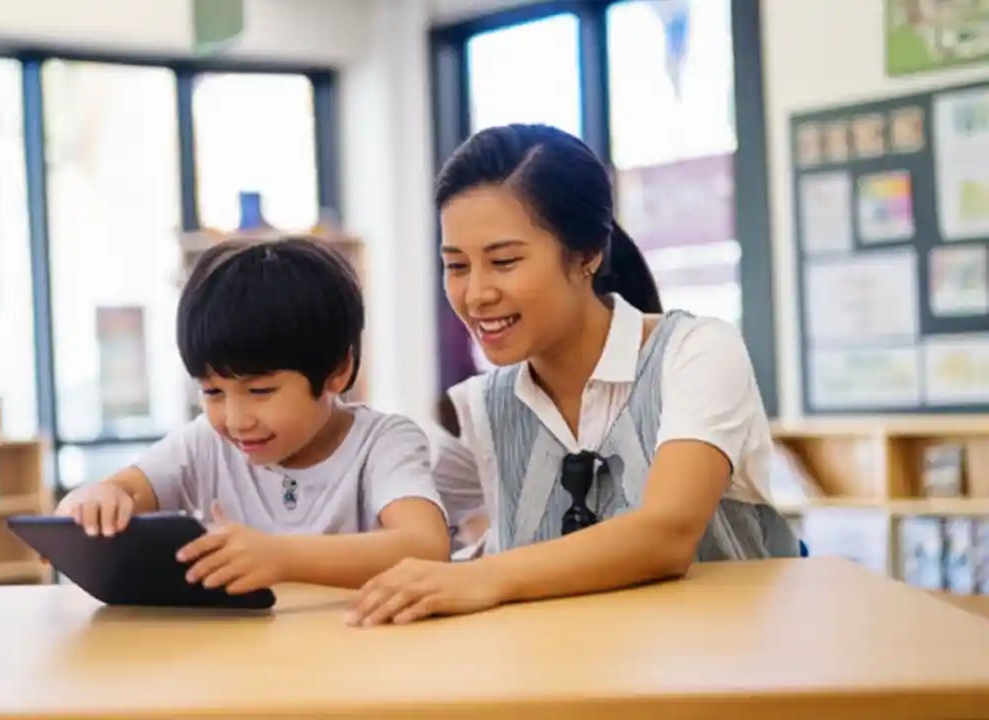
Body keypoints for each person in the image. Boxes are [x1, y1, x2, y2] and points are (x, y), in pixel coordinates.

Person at [347, 123, 800, 627]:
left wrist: (481, 576)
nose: (475, 294)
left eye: (504, 261)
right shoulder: (483, 409)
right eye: (456, 266)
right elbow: (399, 534)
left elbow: (667, 534)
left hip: (724, 683)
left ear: (587, 255)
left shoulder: (695, 352)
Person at [54, 237, 451, 595]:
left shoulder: (383, 443)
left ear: (337, 371)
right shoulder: (204, 443)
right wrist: (94, 498)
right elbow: (123, 492)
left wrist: (281, 557)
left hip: (357, 656)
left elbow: (426, 547)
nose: (236, 419)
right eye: (212, 392)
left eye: (260, 391)